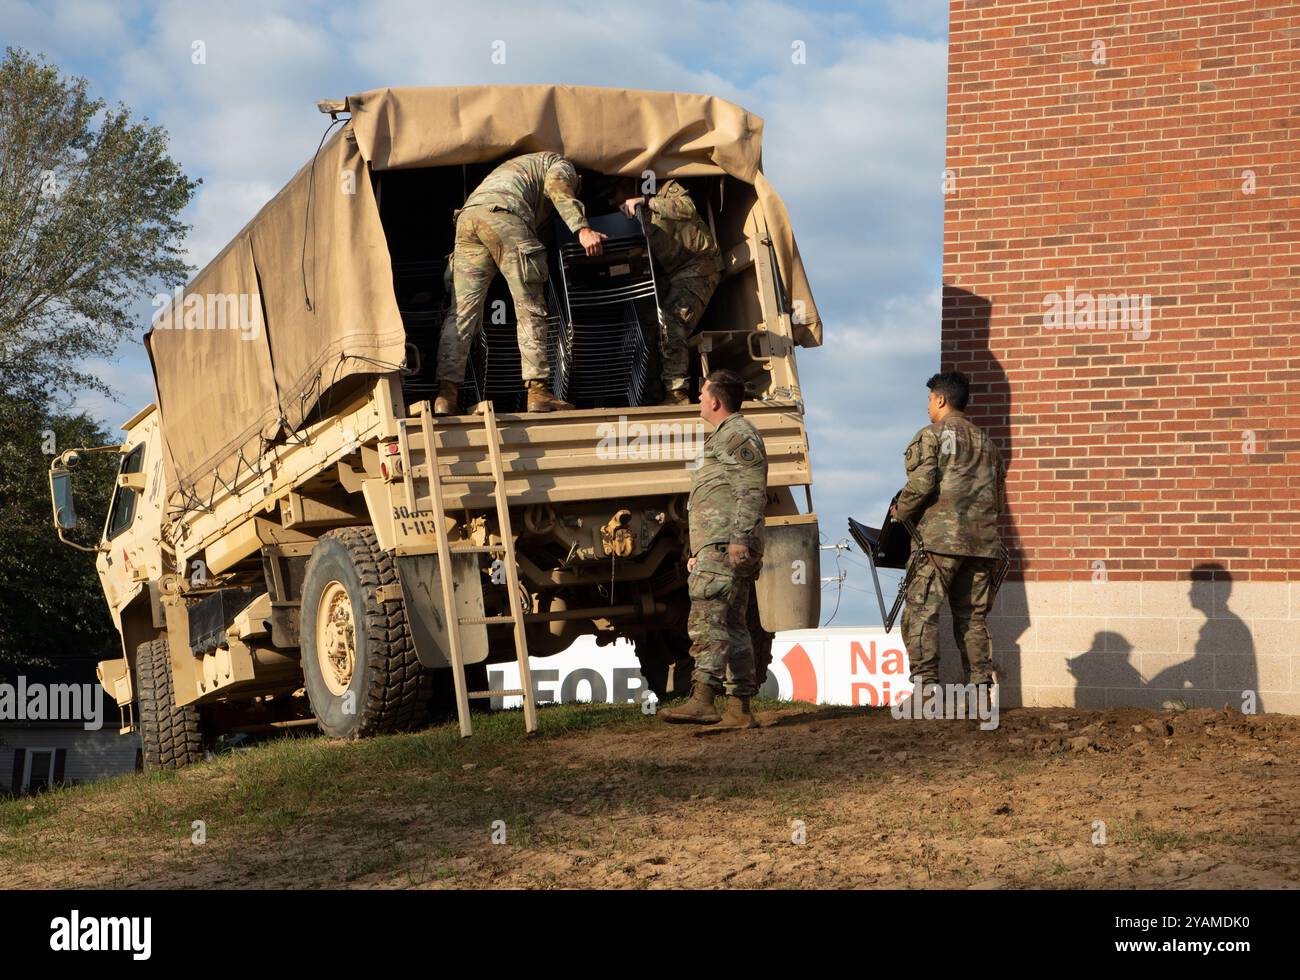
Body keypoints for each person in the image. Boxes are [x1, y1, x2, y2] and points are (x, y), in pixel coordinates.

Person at [434, 152, 607, 415]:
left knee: (462, 312)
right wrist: (582, 228)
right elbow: (557, 188)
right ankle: (538, 392)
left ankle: (446, 395)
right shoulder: (561, 165)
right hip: (506, 213)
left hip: (468, 217)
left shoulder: (517, 169)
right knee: (530, 307)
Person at [660, 368, 767, 729]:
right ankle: (740, 709)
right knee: (734, 625)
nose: (699, 400)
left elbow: (750, 489)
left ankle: (703, 699)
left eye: (703, 394)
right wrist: (697, 550)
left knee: (706, 618)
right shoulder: (724, 436)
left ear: (716, 400)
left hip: (725, 546)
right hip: (717, 545)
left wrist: (738, 540)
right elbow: (715, 495)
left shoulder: (736, 434)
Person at [892, 371, 1006, 692]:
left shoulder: (932, 435)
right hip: (982, 546)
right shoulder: (989, 444)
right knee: (972, 619)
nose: (928, 406)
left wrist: (901, 510)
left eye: (930, 399)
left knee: (921, 614)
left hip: (938, 545)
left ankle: (927, 691)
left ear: (941, 399)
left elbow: (922, 483)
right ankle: (980, 689)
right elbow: (997, 500)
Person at [609, 176, 724, 406]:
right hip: (668, 273)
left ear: (626, 187)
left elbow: (686, 209)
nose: (613, 202)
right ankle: (652, 396)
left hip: (699, 264)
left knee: (671, 320)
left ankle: (677, 393)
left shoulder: (663, 190)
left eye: (614, 194)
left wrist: (645, 201)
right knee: (645, 321)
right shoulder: (625, 219)